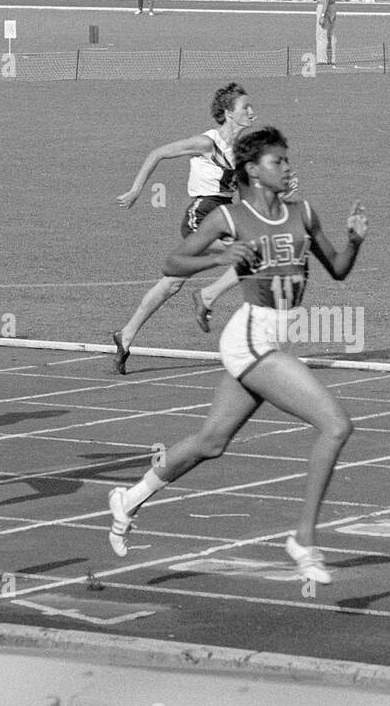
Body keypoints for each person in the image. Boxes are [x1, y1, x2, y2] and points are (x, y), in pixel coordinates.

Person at [106, 126, 368, 584]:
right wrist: (221, 258)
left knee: (211, 442)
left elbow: (339, 271)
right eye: (277, 162)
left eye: (287, 160)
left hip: (276, 338)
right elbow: (172, 263)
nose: (287, 169)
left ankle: (128, 500)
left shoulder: (303, 213)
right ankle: (303, 539)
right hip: (249, 338)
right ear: (252, 170)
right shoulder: (229, 218)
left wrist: (355, 240)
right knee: (335, 425)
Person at [111, 83, 257, 374]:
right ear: (228, 113)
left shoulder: (242, 152)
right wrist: (136, 190)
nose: (252, 112)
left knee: (172, 284)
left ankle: (125, 336)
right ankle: (207, 297)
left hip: (222, 217)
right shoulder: (206, 143)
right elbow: (158, 153)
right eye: (245, 108)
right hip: (199, 218)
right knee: (251, 255)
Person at [313, 0, 336, 65]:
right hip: (328, 7)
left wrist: (322, 14)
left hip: (325, 7)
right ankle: (330, 59)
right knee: (329, 34)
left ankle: (322, 59)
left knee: (322, 34)